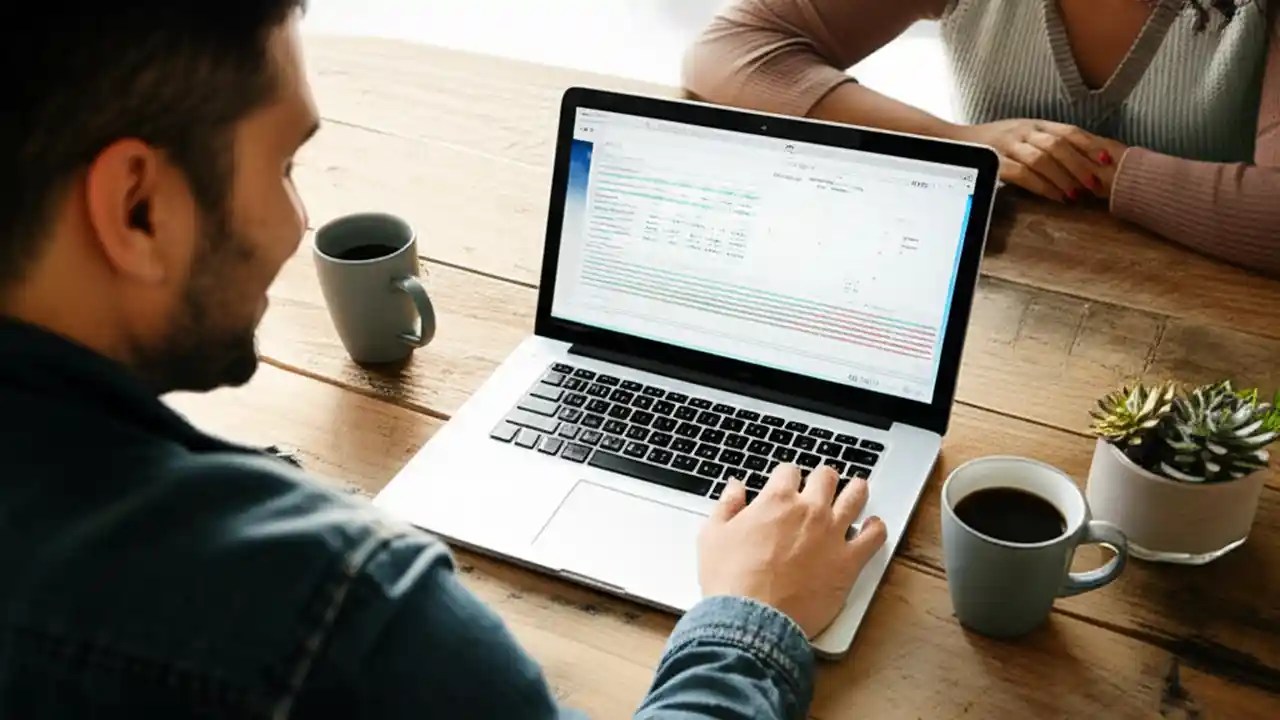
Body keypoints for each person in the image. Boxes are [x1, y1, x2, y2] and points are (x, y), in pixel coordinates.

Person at [0, 3, 889, 718]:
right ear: (138, 210)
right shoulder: (336, 607)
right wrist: (753, 618)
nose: (296, 222)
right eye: (283, 166)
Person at [683, 0, 1280, 277]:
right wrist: (962, 140)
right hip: (996, 288)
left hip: (1208, 330)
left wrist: (1100, 168)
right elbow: (730, 51)